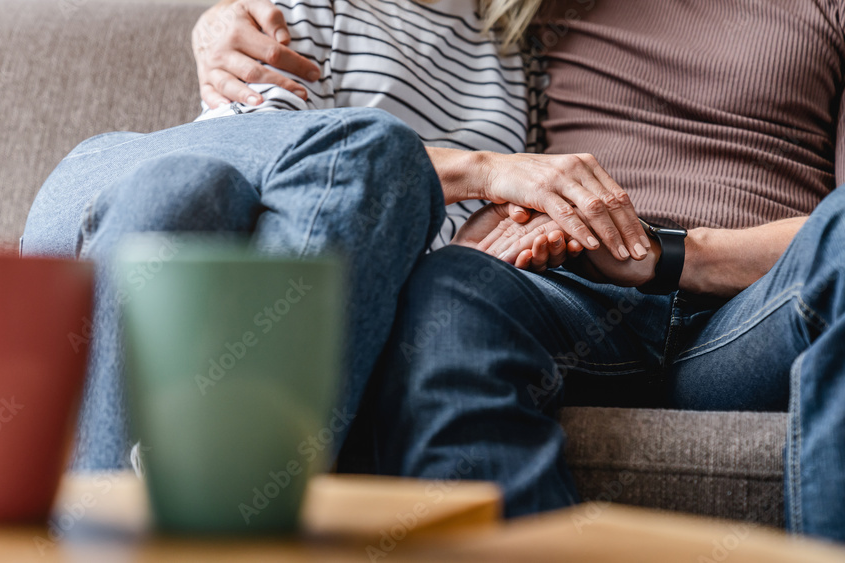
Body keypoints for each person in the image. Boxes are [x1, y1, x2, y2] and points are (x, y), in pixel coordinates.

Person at [196, 0, 845, 543]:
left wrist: (677, 255)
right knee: (450, 290)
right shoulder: (538, 10)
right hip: (575, 298)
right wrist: (218, 26)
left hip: (756, 307)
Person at [21, 0, 645, 471]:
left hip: (346, 289)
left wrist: (497, 239)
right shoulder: (307, 10)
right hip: (188, 230)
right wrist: (480, 170)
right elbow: (256, 172)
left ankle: (166, 486)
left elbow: (432, 235)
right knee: (202, 185)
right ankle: (218, 470)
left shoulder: (515, 58)